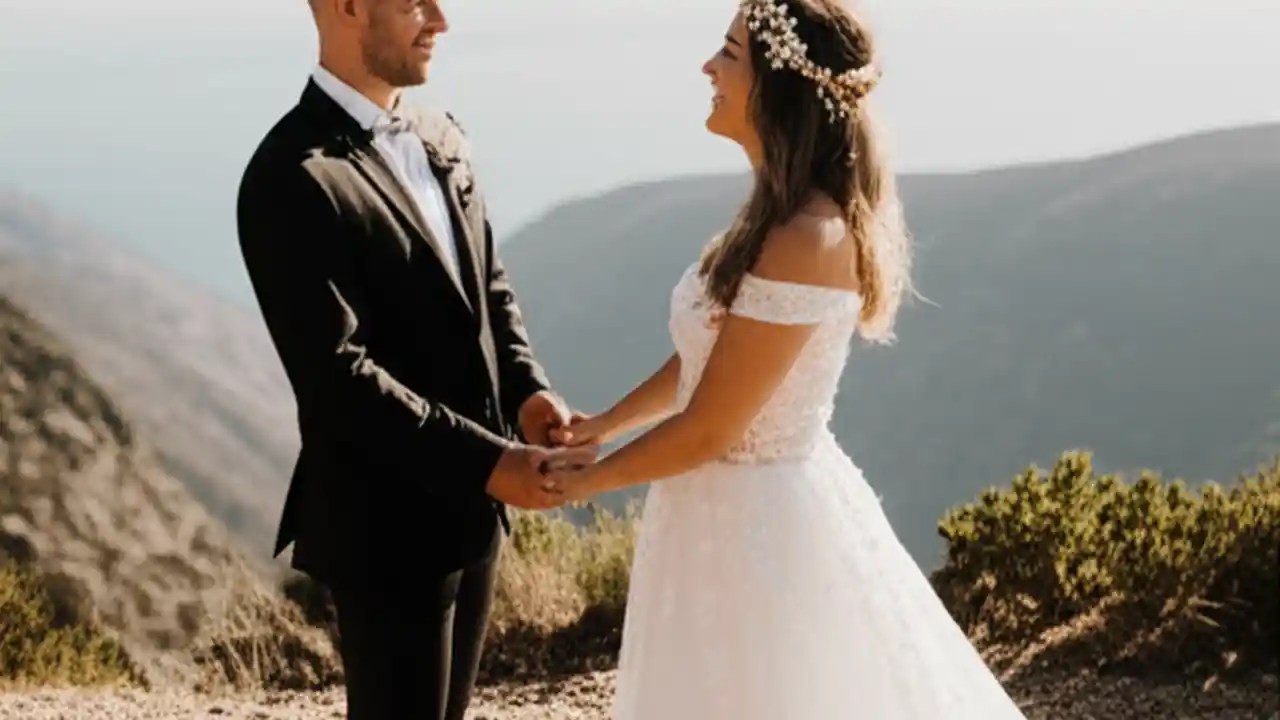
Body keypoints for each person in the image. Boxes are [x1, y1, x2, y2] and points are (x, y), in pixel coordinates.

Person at [545, 1, 1030, 717]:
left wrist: (588, 483)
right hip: (710, 512)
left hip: (760, 534)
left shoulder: (807, 235)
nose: (708, 67)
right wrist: (604, 426)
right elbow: (713, 357)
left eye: (730, 55)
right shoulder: (772, 216)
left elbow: (713, 426)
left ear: (781, 88)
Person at [235, 1, 591, 717]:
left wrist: (526, 390)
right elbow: (338, 380)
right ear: (347, 7)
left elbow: (489, 290)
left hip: (477, 515)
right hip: (382, 526)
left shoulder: (441, 133)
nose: (441, 21)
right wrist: (490, 462)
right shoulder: (287, 177)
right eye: (415, 3)